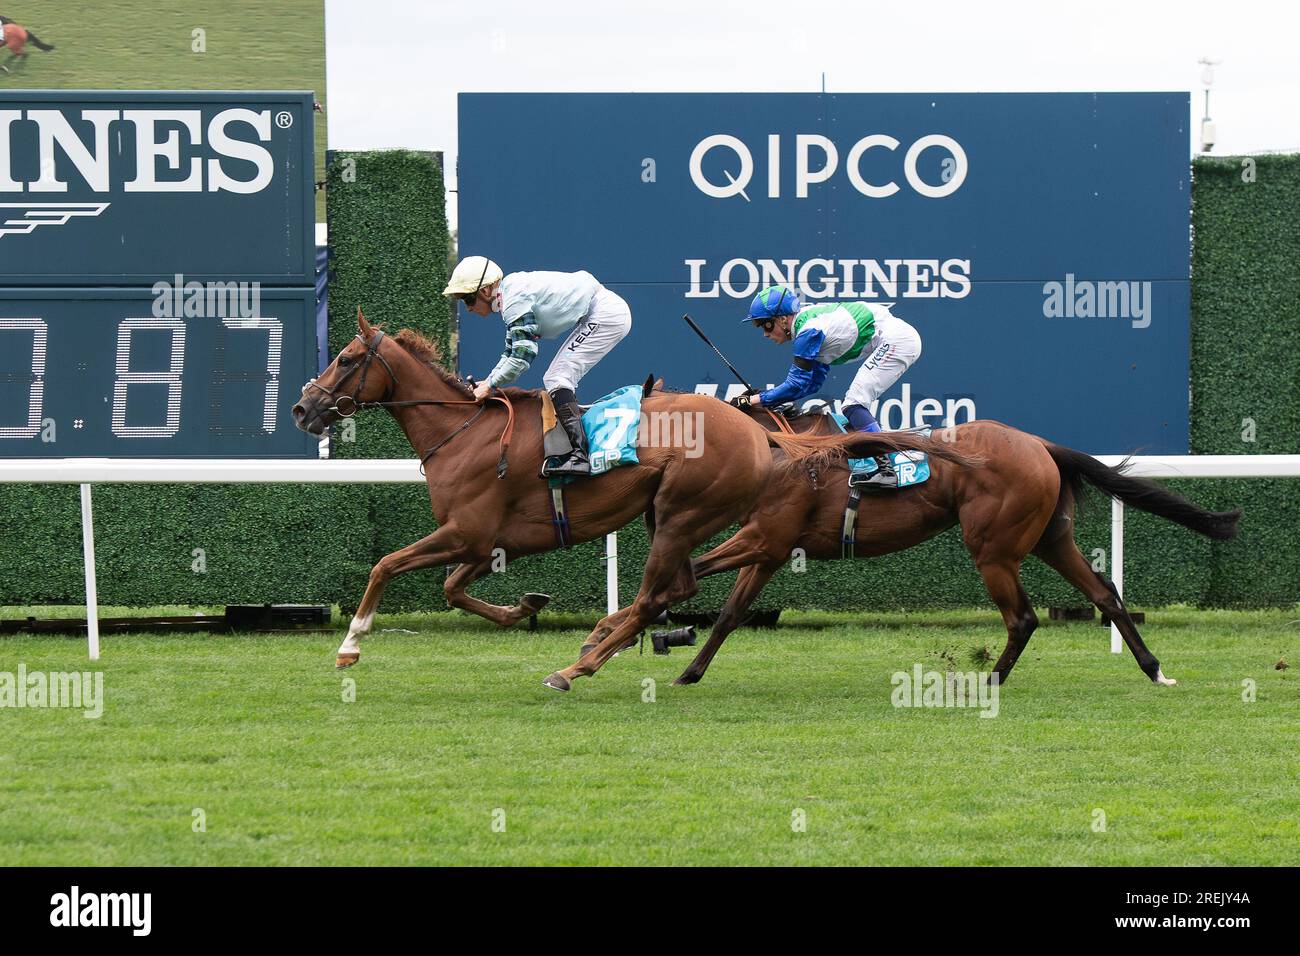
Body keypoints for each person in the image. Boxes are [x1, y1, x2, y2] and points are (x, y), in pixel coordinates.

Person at [444, 256, 632, 476]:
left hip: (605, 314)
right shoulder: (510, 296)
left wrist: (490, 386)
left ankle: (580, 455)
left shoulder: (513, 299)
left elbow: (523, 357)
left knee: (557, 378)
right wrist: (487, 382)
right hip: (600, 312)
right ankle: (578, 452)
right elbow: (510, 352)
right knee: (556, 377)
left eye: (467, 299)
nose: (467, 308)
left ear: (485, 291)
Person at [735, 284, 923, 486]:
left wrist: (753, 399)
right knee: (853, 404)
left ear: (782, 319)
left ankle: (887, 469)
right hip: (898, 338)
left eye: (766, 325)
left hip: (897, 341)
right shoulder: (806, 327)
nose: (765, 333)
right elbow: (811, 385)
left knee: (854, 404)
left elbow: (796, 383)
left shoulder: (808, 332)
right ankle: (884, 464)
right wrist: (766, 399)